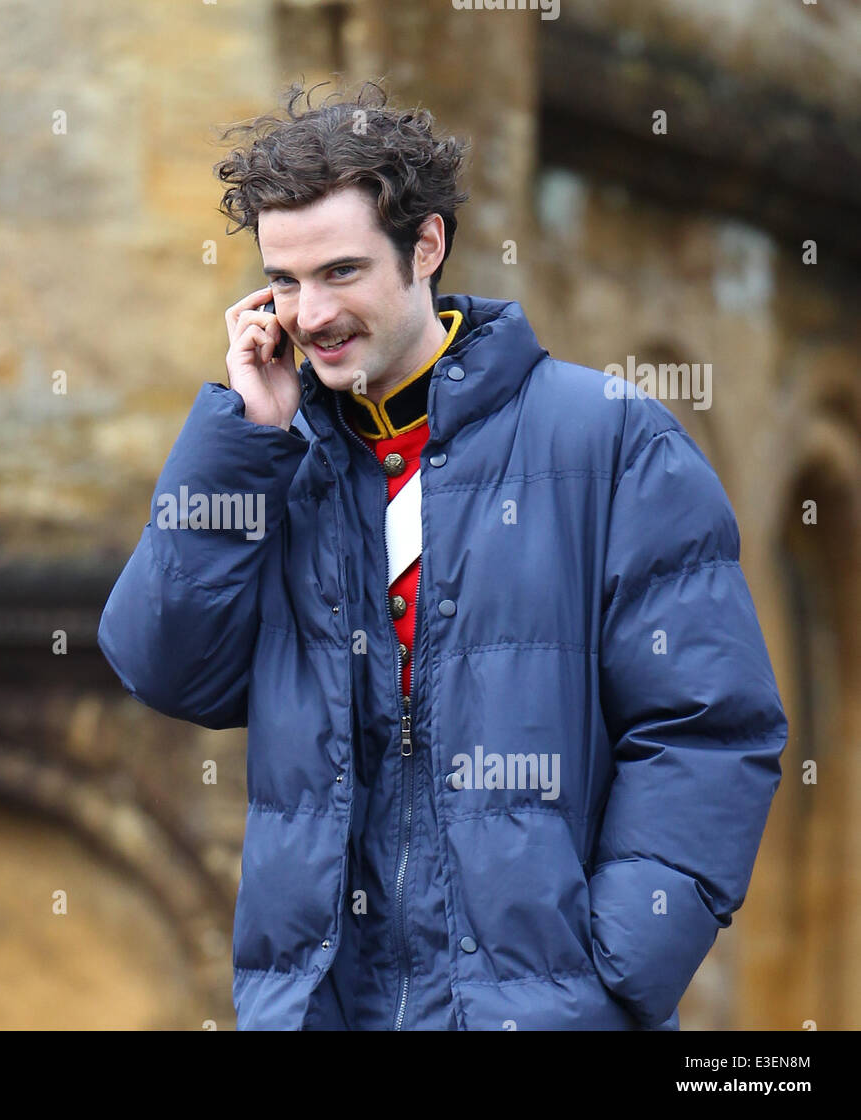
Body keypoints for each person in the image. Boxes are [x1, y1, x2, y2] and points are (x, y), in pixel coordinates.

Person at [97, 80, 787, 1030]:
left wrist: (612, 978)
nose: (310, 313)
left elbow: (709, 728)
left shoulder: (612, 440)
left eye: (341, 272)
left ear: (425, 248)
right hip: (323, 1008)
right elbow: (166, 669)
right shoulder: (270, 456)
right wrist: (240, 438)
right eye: (285, 281)